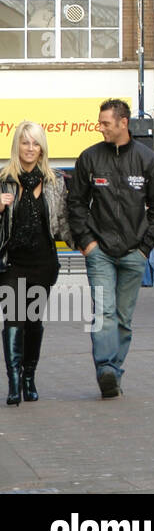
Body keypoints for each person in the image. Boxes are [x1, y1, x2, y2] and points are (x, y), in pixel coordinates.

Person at [67, 98, 154, 399]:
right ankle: (105, 370)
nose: (101, 129)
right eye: (100, 123)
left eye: (106, 124)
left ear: (123, 123)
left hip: (134, 253)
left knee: (123, 319)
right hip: (100, 252)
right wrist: (87, 243)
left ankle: (113, 373)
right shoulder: (89, 158)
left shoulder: (148, 159)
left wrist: (145, 248)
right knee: (104, 313)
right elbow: (76, 203)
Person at [0, 122, 70, 405]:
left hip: (42, 263)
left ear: (42, 148)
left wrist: (89, 246)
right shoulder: (3, 180)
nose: (30, 148)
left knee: (33, 321)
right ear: (16, 145)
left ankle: (30, 377)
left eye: (35, 143)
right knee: (14, 318)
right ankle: (14, 381)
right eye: (25, 142)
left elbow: (64, 222)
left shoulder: (56, 182)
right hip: (11, 263)